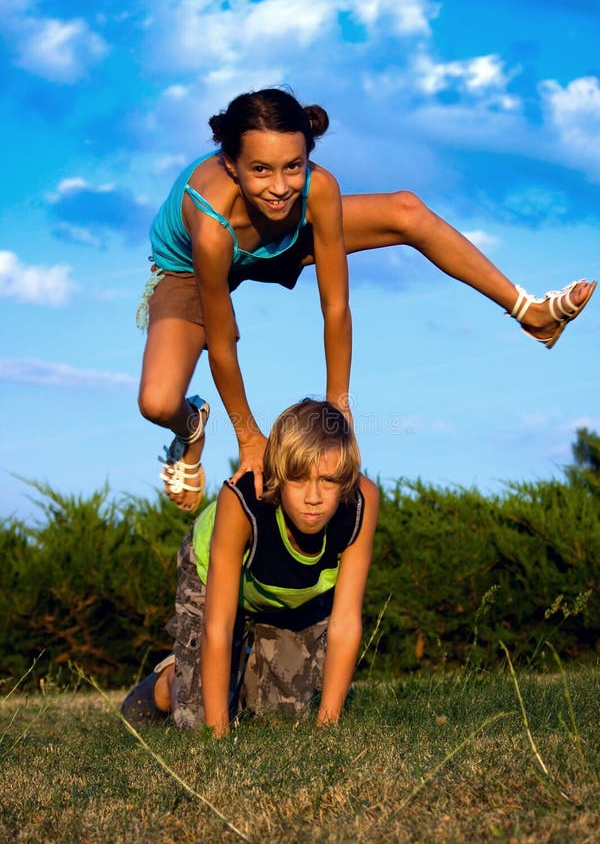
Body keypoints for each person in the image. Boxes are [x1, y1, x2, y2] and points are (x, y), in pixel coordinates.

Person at [136, 87, 597, 512]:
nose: (278, 186)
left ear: (307, 157)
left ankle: (532, 313)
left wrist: (339, 406)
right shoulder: (211, 223)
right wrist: (249, 438)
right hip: (190, 269)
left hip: (280, 241)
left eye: (293, 166)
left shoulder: (317, 190)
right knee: (157, 402)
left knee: (406, 210)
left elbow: (335, 306)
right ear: (231, 164)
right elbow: (222, 340)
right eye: (260, 170)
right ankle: (190, 426)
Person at [121, 399, 379, 735]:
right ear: (278, 475)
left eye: (328, 481)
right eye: (298, 479)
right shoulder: (242, 501)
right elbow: (218, 625)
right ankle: (172, 678)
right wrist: (218, 738)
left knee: (282, 717)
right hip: (213, 581)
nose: (313, 497)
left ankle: (241, 669)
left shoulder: (360, 504)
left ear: (345, 480)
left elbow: (345, 622)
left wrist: (327, 727)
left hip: (289, 599)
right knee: (199, 721)